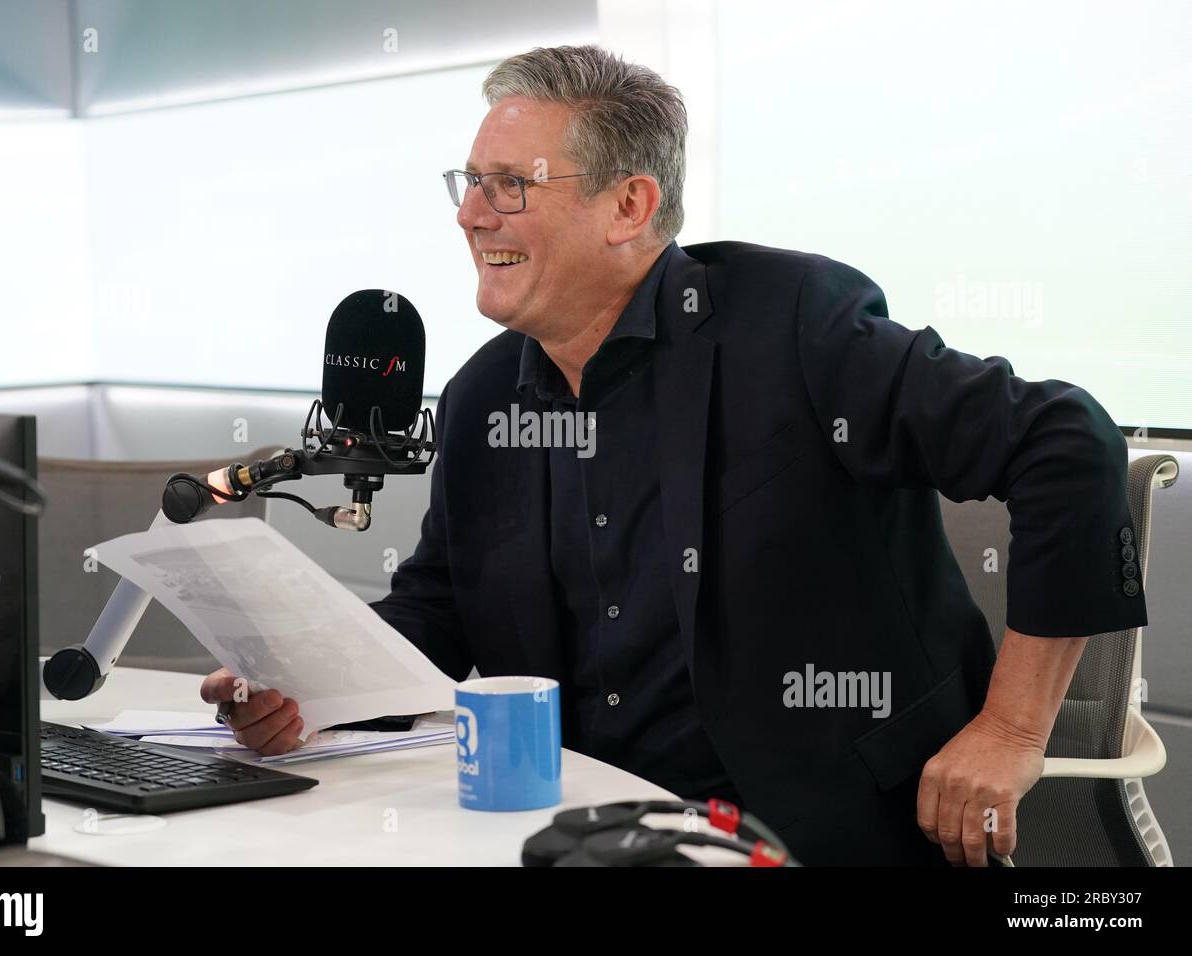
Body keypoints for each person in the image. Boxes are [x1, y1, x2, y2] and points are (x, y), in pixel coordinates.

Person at [202, 44, 1146, 866]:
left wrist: (1014, 729)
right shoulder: (485, 396)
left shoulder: (796, 325)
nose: (471, 217)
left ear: (629, 206)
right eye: (470, 183)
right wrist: (310, 681)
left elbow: (1066, 442)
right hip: (580, 835)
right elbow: (442, 607)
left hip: (832, 835)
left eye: (510, 186)